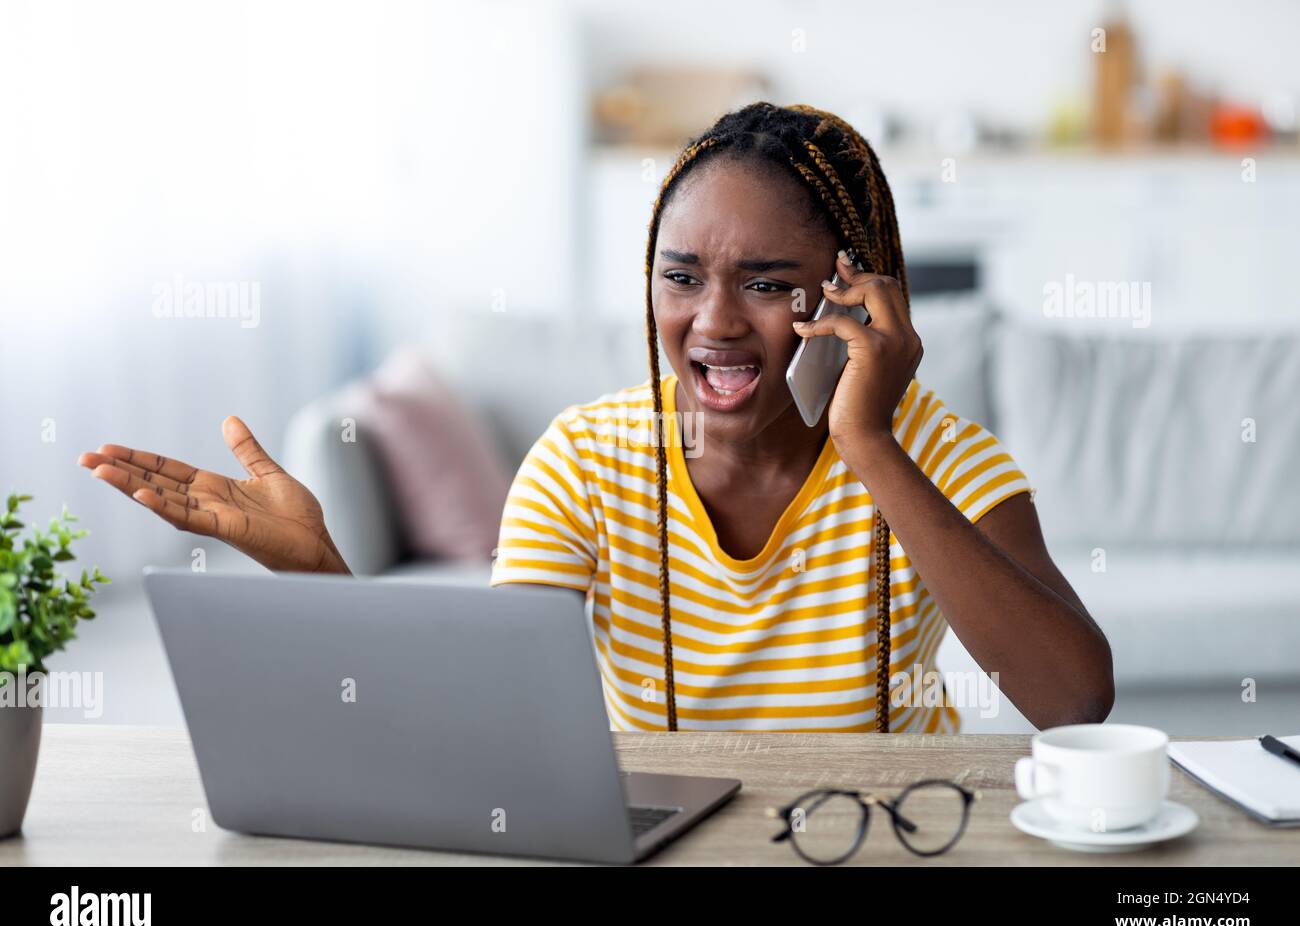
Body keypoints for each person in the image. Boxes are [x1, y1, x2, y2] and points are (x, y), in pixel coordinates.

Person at [80, 102, 1113, 734]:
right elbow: (474, 718)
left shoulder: (926, 447)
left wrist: (869, 442)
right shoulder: (587, 456)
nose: (710, 321)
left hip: (884, 834)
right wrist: (321, 572)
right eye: (679, 276)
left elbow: (1073, 699)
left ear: (850, 292)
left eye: (764, 281)